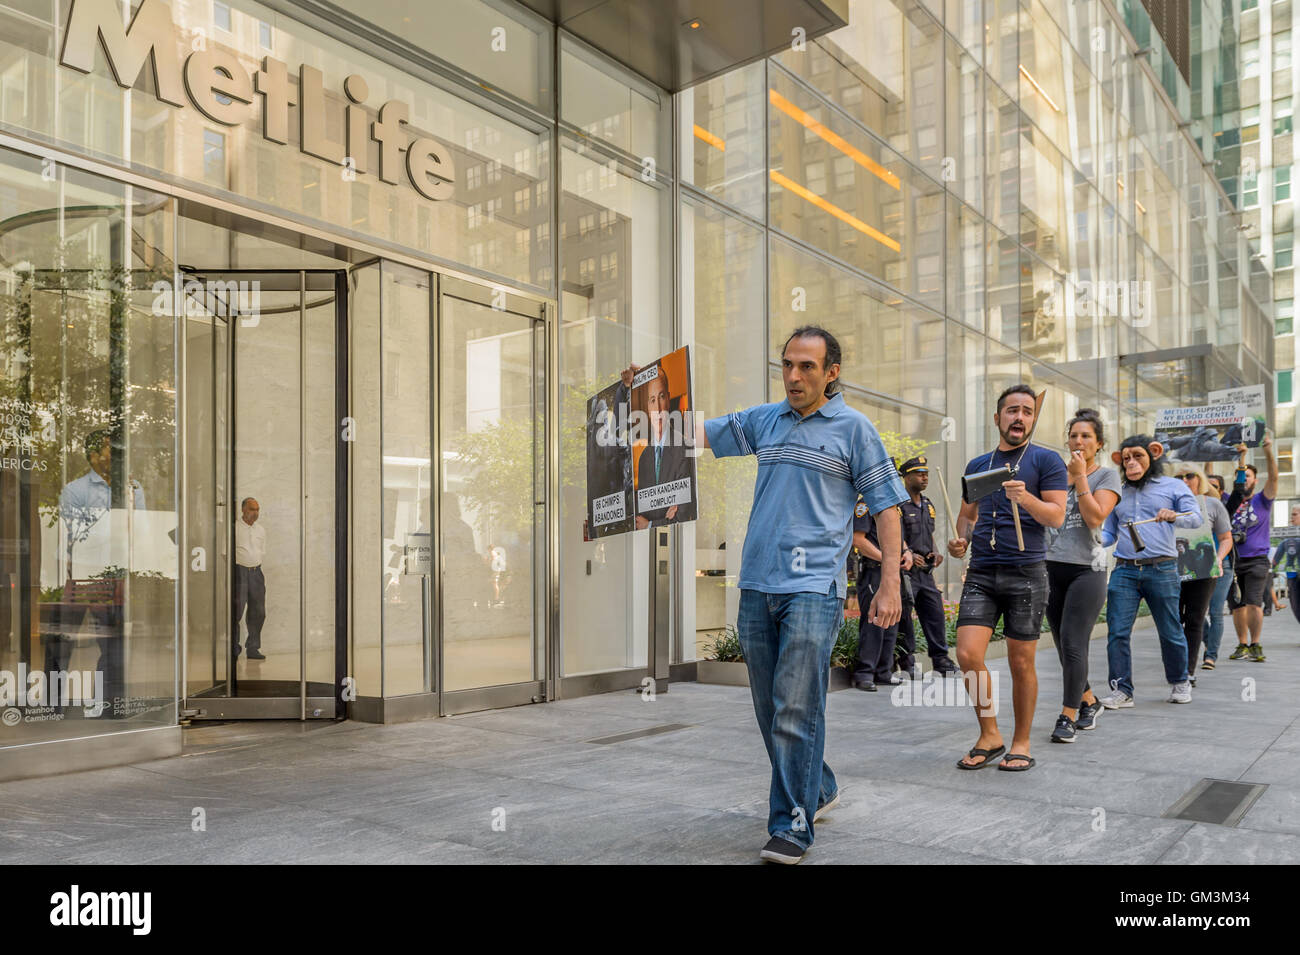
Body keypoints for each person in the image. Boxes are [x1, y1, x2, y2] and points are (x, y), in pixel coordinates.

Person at [648, 324, 907, 864]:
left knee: (796, 704)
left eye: (807, 366)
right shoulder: (766, 420)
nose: (793, 375)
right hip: (757, 583)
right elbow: (696, 433)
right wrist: (643, 398)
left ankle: (791, 827)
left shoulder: (854, 429)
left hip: (813, 587)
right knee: (771, 708)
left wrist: (888, 586)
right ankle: (819, 787)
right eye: (787, 364)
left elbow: (885, 507)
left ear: (831, 372)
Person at [948, 384, 1067, 772]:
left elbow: (1056, 517)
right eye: (1012, 410)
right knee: (967, 654)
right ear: (997, 418)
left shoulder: (1047, 461)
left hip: (1026, 572)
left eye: (1027, 411)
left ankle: (1021, 741)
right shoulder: (978, 465)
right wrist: (960, 540)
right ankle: (990, 734)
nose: (1020, 417)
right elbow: (967, 516)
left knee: (1021, 662)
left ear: (1033, 419)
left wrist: (1026, 498)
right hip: (982, 571)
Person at [1097, 436, 1203, 708]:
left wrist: (1174, 515)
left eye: (1138, 456)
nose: (1131, 462)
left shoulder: (1173, 486)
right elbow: (1110, 531)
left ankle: (1180, 681)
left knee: (1169, 629)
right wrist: (1095, 540)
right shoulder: (1118, 491)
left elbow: (1195, 518)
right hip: (1124, 569)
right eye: (1127, 458)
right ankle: (1122, 691)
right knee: (1117, 631)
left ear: (1152, 455)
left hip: (1162, 567)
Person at [1043, 409, 1121, 743]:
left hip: (1087, 570)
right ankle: (1089, 700)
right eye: (1074, 435)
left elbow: (1094, 517)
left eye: (1086, 436)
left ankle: (1067, 716)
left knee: (1075, 643)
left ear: (1098, 443)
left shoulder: (1107, 476)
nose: (1078, 441)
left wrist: (1080, 479)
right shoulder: (1054, 475)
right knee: (1062, 647)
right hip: (1050, 567)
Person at [56, 429, 146, 711]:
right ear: (94, 456)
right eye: (109, 448)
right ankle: (51, 704)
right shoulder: (75, 491)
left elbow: (139, 531)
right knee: (62, 643)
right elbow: (74, 537)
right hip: (81, 576)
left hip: (114, 578)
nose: (116, 453)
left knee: (112, 646)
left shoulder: (134, 489)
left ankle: (107, 704)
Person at [894, 456, 960, 678]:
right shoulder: (898, 504)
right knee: (905, 617)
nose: (924, 477)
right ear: (907, 477)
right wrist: (910, 554)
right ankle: (906, 661)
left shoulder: (928, 504)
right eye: (919, 473)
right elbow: (893, 535)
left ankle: (940, 659)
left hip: (926, 571)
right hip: (905, 571)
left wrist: (936, 551)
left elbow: (929, 533)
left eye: (926, 473)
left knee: (935, 613)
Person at [1170, 465, 1233, 686]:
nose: (1184, 480)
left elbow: (1226, 538)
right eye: (1179, 477)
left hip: (1204, 569)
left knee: (1195, 619)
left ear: (1200, 479)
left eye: (1190, 476)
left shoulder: (1213, 505)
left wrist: (1218, 558)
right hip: (1170, 569)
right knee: (1173, 620)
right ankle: (1177, 666)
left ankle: (1187, 671)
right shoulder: (1167, 504)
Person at [1223, 436, 1277, 662]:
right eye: (1240, 477)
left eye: (1248, 477)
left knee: (1254, 602)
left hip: (1257, 560)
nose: (1244, 480)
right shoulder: (1229, 499)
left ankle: (1255, 644)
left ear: (1255, 481)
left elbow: (1274, 477)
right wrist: (1238, 457)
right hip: (1233, 560)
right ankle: (1242, 644)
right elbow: (1208, 481)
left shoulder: (1262, 501)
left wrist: (1267, 450)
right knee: (1237, 605)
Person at [851, 492, 909, 692]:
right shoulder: (865, 504)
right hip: (873, 571)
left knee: (891, 622)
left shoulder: (893, 507)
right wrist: (888, 560)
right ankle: (864, 674)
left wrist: (907, 552)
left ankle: (884, 671)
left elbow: (897, 537)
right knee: (874, 623)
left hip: (891, 572)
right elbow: (858, 540)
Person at [634, 365, 696, 528]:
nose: (658, 408)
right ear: (648, 407)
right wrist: (664, 518)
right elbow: (641, 515)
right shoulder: (643, 458)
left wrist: (650, 524)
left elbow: (682, 514)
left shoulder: (683, 448)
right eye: (653, 400)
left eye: (661, 397)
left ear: (668, 399)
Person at [1201, 462, 1248, 668]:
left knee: (1216, 610)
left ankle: (1211, 655)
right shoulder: (1193, 507)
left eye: (1214, 486)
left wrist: (1241, 462)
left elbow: (1239, 491)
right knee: (1192, 611)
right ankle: (1208, 641)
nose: (1209, 489)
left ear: (1221, 491)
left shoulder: (1223, 509)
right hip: (1196, 567)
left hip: (1223, 565)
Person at [233, 497, 267, 660]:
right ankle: (234, 647)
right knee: (236, 611)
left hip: (256, 573)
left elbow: (262, 551)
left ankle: (253, 648)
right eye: (252, 509)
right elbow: (226, 554)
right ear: (243, 510)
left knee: (258, 612)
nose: (256, 513)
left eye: (257, 509)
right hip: (239, 572)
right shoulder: (234, 528)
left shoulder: (261, 530)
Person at [1270, 505, 1300, 626]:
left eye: (1294, 514)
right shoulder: (1287, 539)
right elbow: (1276, 558)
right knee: (1296, 604)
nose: (1291, 518)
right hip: (1292, 574)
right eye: (1291, 515)